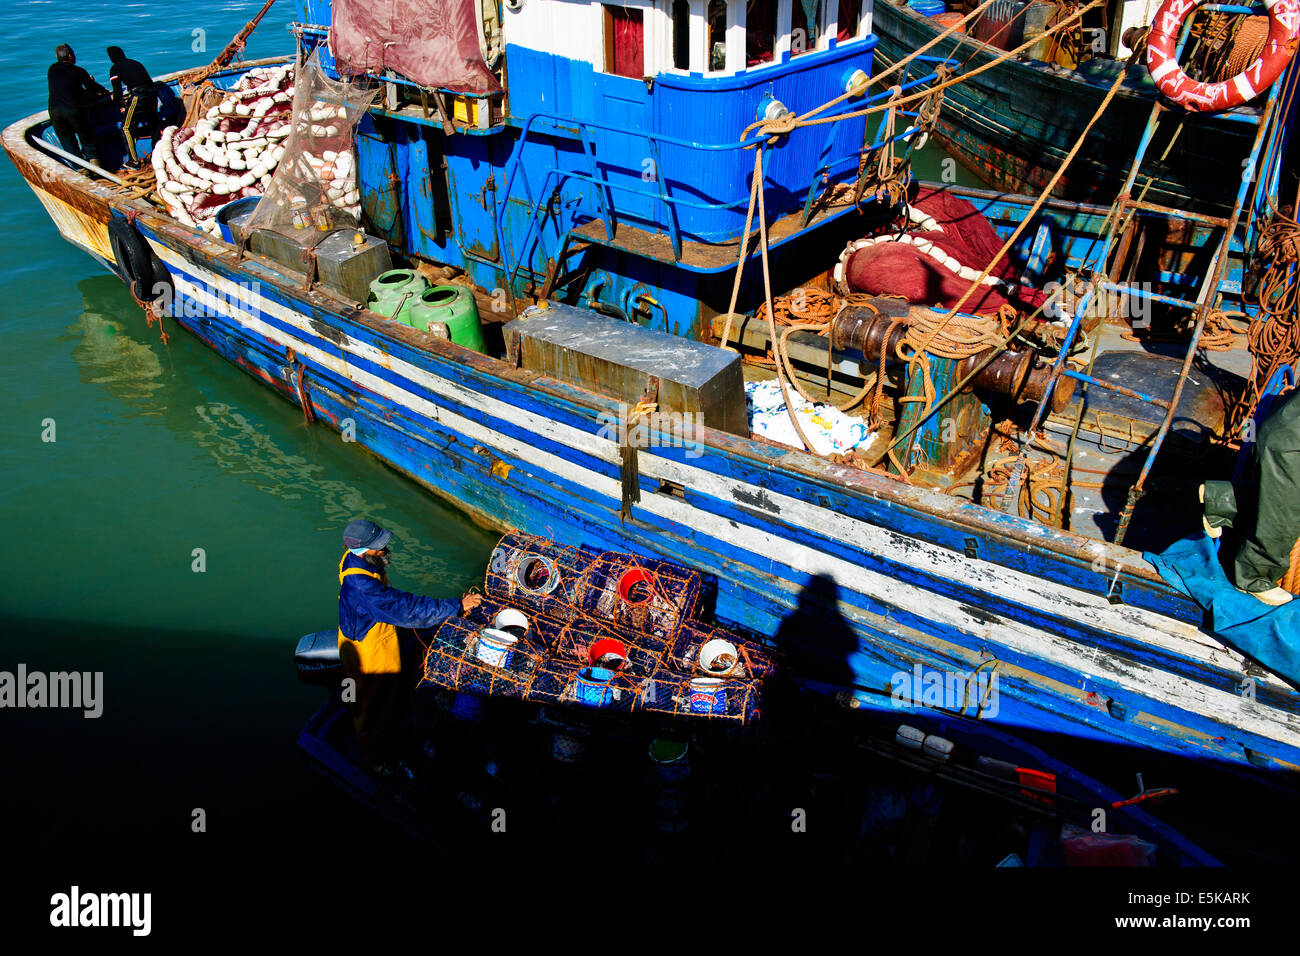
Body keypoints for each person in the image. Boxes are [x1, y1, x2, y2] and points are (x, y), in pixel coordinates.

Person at [337, 518, 483, 776]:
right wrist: (457, 607)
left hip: (367, 631)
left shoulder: (354, 561)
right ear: (362, 550)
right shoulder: (361, 584)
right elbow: (406, 609)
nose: (384, 549)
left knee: (381, 698)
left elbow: (397, 602)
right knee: (371, 708)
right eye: (378, 547)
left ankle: (387, 720)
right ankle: (374, 760)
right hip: (370, 652)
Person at [1202, 387, 1300, 606]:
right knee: (1288, 506)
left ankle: (1221, 499)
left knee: (1280, 500)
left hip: (1286, 432)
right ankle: (1253, 577)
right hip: (1291, 446)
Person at [46, 44, 106, 163]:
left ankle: (80, 168)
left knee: (67, 141)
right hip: (73, 109)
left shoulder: (51, 70)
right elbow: (92, 88)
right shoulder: (78, 71)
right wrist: (102, 90)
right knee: (86, 137)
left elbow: (65, 87)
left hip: (54, 110)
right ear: (70, 55)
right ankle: (95, 163)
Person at [106, 46, 157, 165]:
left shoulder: (115, 68)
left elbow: (117, 92)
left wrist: (118, 104)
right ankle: (156, 153)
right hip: (152, 94)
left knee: (126, 128)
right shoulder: (136, 63)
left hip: (138, 96)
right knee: (154, 124)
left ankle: (133, 161)